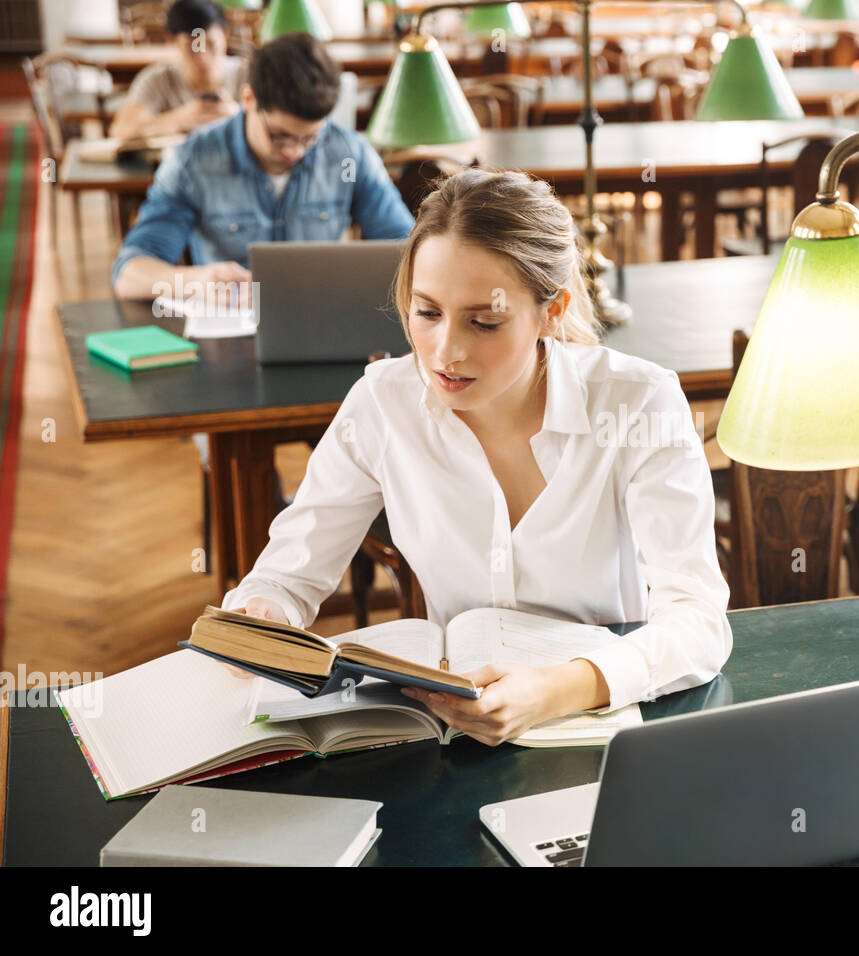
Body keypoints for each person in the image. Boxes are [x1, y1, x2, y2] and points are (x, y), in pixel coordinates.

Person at [220, 168, 733, 746]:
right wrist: (264, 612)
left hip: (612, 730)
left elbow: (699, 622)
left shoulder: (638, 401)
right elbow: (286, 578)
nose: (445, 352)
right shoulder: (383, 403)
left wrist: (556, 690)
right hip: (458, 731)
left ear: (552, 311)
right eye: (427, 313)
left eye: (483, 321)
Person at [111, 32, 414, 303]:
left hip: (321, 320)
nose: (294, 151)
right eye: (280, 136)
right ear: (248, 98)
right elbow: (129, 273)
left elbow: (409, 254)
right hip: (229, 334)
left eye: (310, 138)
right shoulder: (194, 162)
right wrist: (196, 281)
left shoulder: (349, 155)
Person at [108, 0, 246, 141]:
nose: (202, 58)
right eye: (191, 47)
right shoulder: (158, 79)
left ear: (225, 34)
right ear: (172, 40)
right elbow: (121, 130)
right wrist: (178, 119)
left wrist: (238, 117)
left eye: (211, 44)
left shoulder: (246, 74)